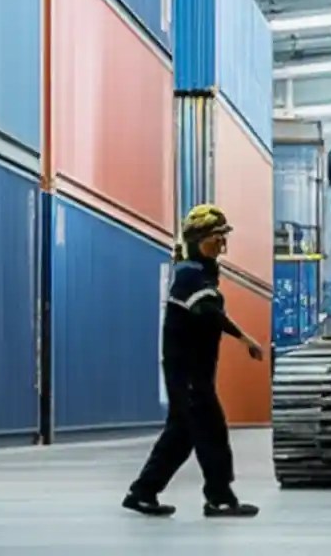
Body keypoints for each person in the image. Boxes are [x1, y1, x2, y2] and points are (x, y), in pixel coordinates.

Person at [122, 204, 265, 518]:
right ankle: (219, 497)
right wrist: (244, 338)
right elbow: (207, 313)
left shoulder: (199, 271)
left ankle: (143, 492)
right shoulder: (189, 274)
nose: (221, 245)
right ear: (198, 240)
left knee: (182, 433)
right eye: (215, 238)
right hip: (188, 373)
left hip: (188, 371)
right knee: (211, 430)